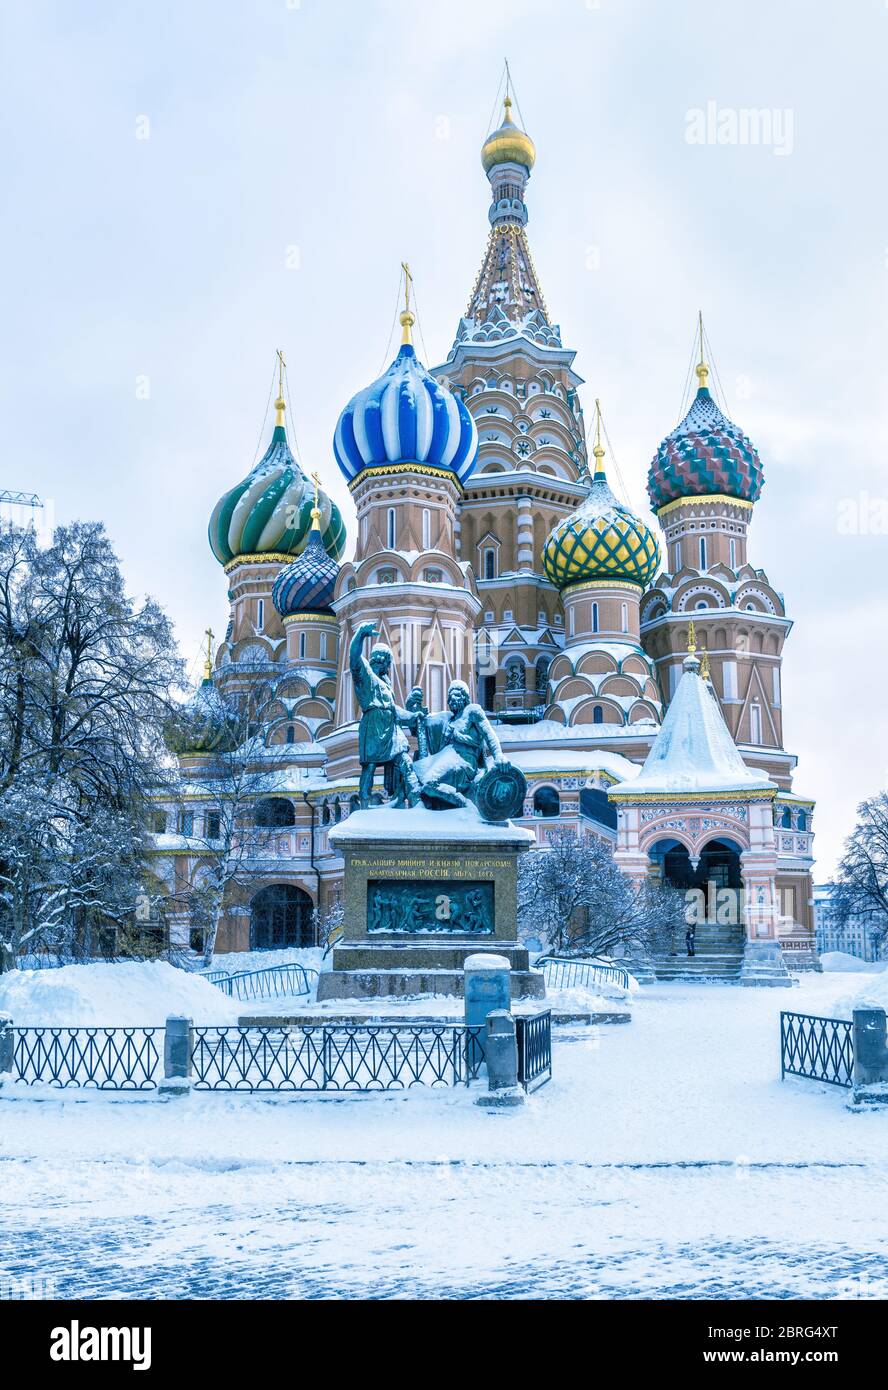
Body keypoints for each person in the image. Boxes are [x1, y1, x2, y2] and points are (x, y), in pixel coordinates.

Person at [349, 621, 420, 809]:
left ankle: (410, 796)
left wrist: (413, 716)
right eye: (382, 660)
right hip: (373, 726)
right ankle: (364, 801)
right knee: (370, 766)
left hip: (390, 729)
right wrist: (360, 636)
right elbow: (354, 659)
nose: (384, 665)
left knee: (403, 759)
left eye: (386, 662)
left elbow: (393, 709)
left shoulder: (386, 685)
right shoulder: (366, 676)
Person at [414, 680, 507, 809]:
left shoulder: (472, 711)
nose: (452, 699)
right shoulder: (449, 719)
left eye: (456, 695)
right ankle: (455, 802)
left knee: (429, 782)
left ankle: (463, 804)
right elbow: (425, 721)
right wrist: (415, 709)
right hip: (446, 756)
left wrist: (499, 756)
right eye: (450, 696)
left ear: (464, 697)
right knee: (416, 773)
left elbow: (489, 734)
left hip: (464, 761)